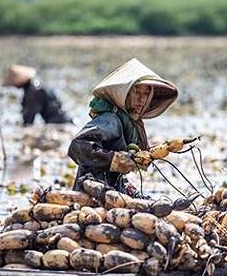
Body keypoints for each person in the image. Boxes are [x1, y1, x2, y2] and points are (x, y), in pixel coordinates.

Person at [68, 58, 178, 193]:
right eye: (137, 92)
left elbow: (130, 160)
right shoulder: (110, 120)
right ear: (124, 94)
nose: (141, 100)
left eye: (146, 93)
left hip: (113, 190)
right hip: (91, 191)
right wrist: (115, 160)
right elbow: (77, 146)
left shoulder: (132, 124)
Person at [3, 64, 72, 125]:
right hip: (62, 120)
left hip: (60, 123)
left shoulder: (33, 92)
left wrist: (24, 127)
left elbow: (29, 117)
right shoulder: (35, 87)